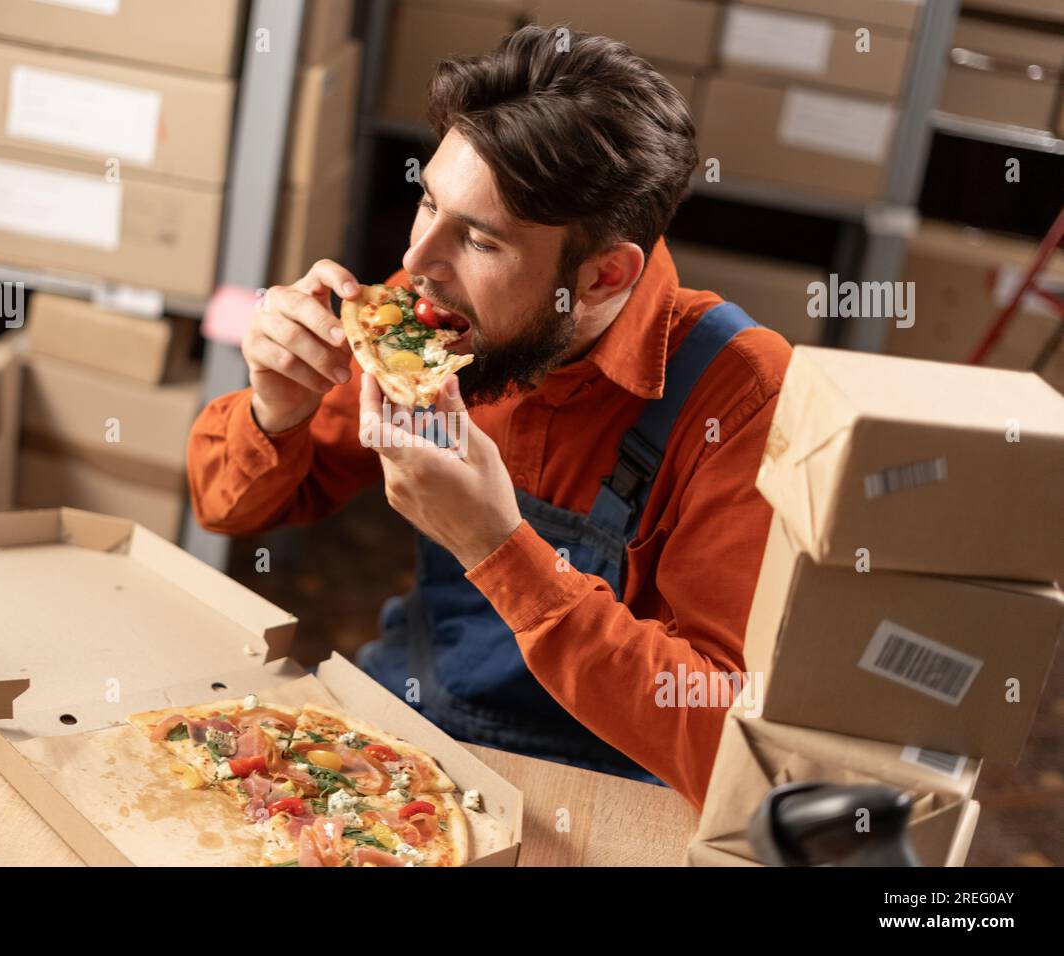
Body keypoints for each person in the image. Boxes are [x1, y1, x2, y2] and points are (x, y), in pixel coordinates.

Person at [188, 26, 791, 810]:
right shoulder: (434, 315)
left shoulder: (744, 398)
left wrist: (495, 547)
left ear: (605, 275)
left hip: (613, 787)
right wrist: (275, 407)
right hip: (419, 724)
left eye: (478, 239)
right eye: (428, 204)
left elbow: (728, 748)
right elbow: (224, 508)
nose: (416, 265)